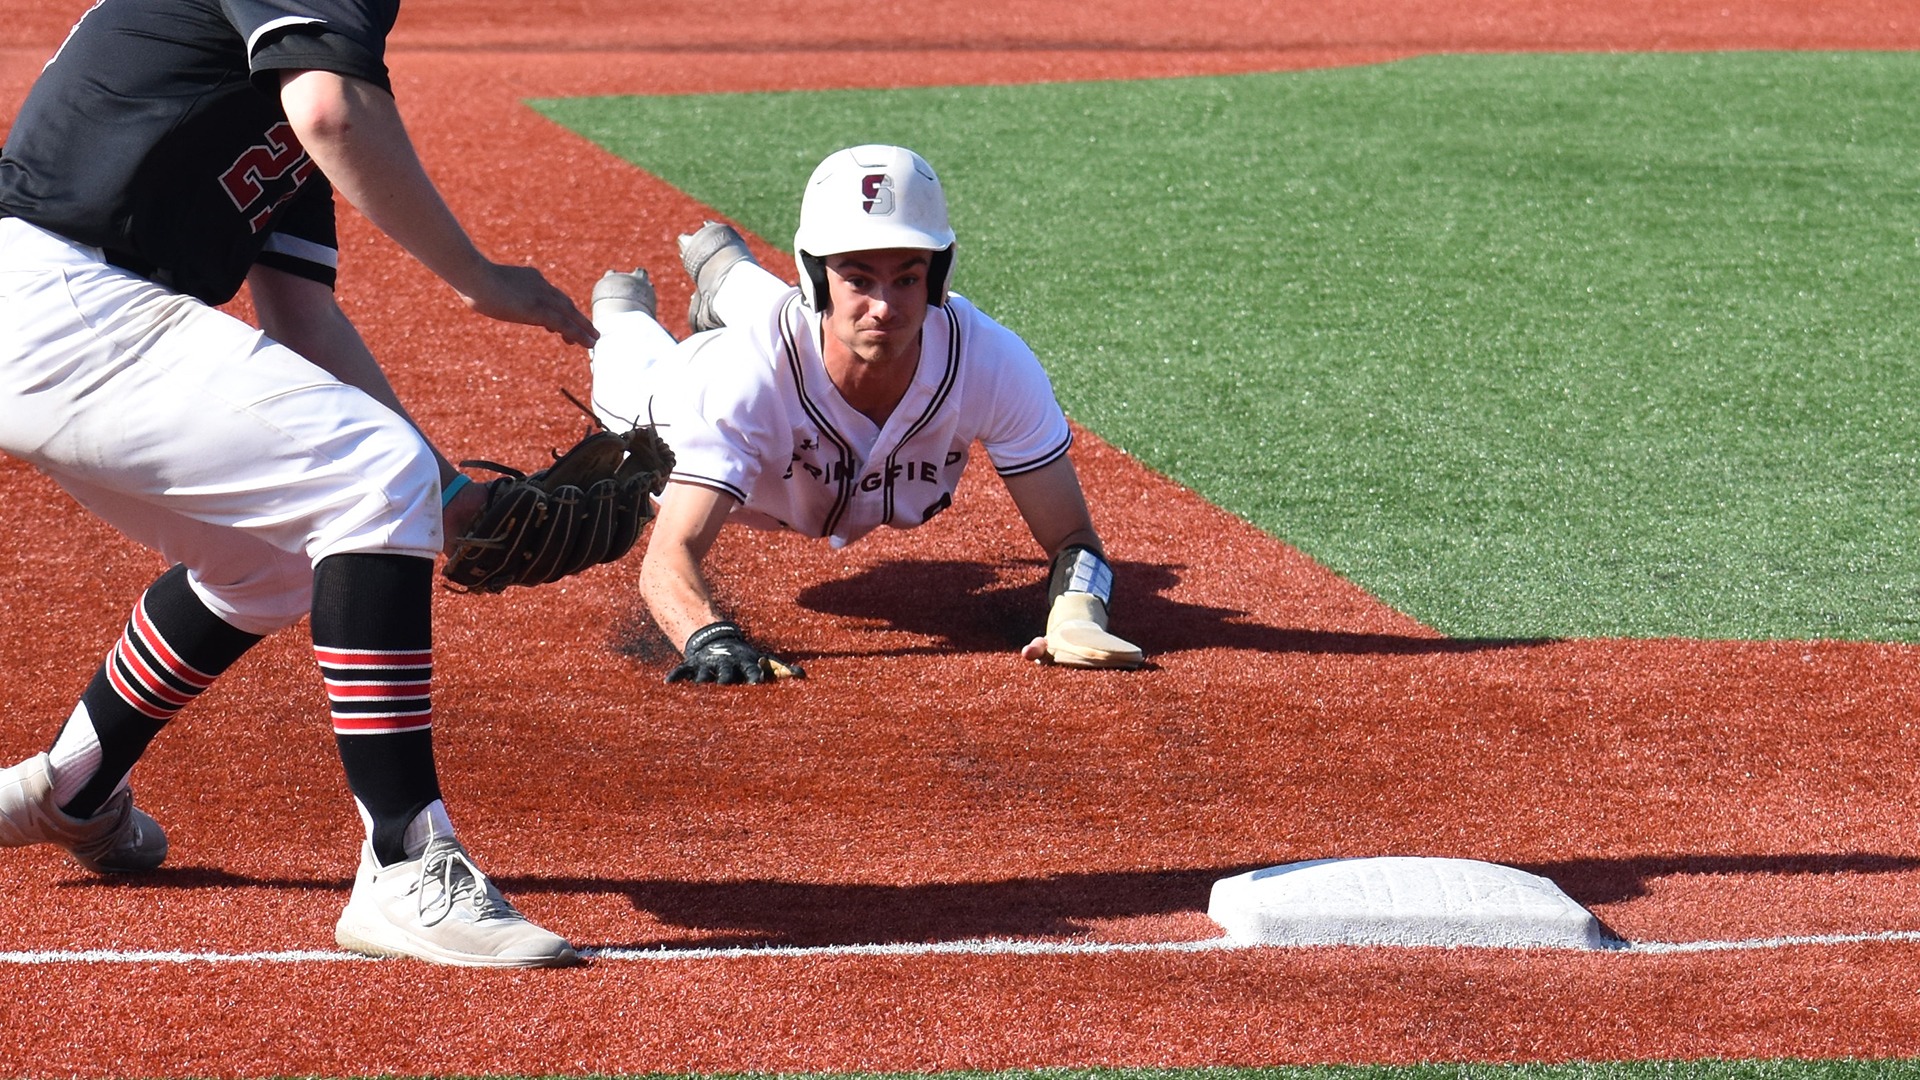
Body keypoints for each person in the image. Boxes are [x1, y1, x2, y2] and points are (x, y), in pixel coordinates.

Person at [0, 0, 596, 967]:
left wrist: (451, 497)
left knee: (276, 561)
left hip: (59, 310)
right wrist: (480, 279)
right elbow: (332, 114)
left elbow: (301, 316)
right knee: (369, 473)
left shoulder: (285, 46)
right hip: (60, 293)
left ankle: (71, 786)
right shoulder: (314, 40)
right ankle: (406, 864)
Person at [588, 144, 1143, 684]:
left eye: (907, 277)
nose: (885, 304)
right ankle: (623, 313)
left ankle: (729, 275)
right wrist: (709, 637)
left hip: (798, 352)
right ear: (815, 274)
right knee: (629, 394)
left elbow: (1074, 538)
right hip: (683, 390)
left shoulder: (991, 362)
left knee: (845, 330)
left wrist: (1077, 614)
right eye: (856, 278)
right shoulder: (741, 379)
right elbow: (667, 560)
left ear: (939, 273)